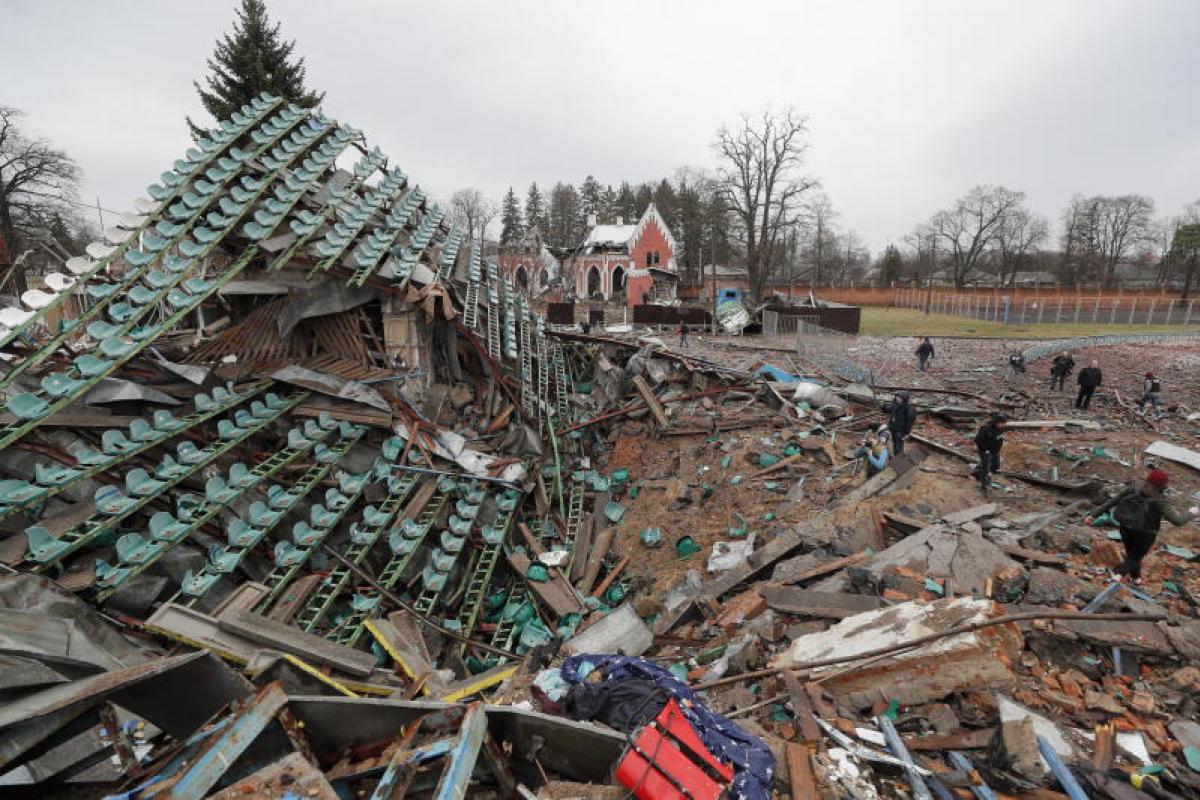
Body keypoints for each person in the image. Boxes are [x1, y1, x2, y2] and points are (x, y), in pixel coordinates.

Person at [1085, 469, 1197, 583]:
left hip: (1126, 528)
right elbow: (1178, 521)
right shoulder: (1160, 501)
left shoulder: (1133, 489)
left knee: (1132, 555)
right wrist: (1191, 513)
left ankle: (1136, 578)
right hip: (1146, 534)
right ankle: (1117, 575)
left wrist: (1093, 515)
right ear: (1162, 486)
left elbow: (1112, 502)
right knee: (1135, 557)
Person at [973, 413, 1006, 495]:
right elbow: (977, 440)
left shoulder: (1000, 429)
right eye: (1002, 423)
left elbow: (999, 439)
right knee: (986, 469)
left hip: (995, 452)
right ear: (997, 422)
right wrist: (985, 449)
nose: (1003, 425)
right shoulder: (986, 428)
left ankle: (978, 471)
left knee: (996, 466)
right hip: (985, 452)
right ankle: (984, 487)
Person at [887, 391, 917, 456]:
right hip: (894, 428)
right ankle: (896, 456)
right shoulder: (895, 405)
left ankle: (899, 458)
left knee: (899, 445)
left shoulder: (908, 408)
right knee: (894, 443)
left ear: (904, 399)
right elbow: (891, 414)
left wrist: (906, 432)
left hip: (900, 430)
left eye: (899, 397)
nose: (897, 398)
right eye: (897, 397)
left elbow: (909, 422)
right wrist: (890, 426)